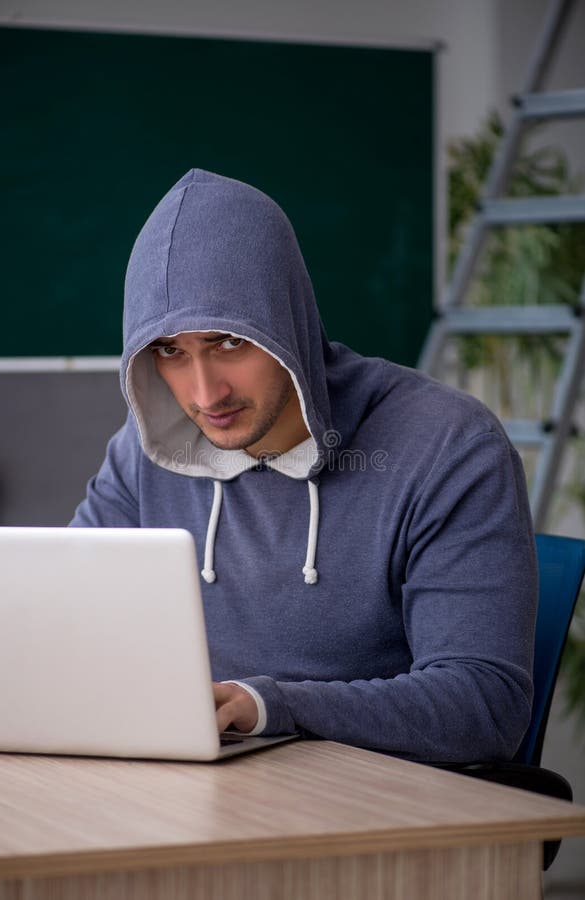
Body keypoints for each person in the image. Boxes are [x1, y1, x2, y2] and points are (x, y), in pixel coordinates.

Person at [71, 168, 537, 761]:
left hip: (372, 797)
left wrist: (270, 706)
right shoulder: (144, 455)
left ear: (286, 322)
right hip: (195, 782)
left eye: (229, 342)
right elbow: (65, 626)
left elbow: (485, 705)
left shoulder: (448, 445)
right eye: (170, 351)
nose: (206, 394)